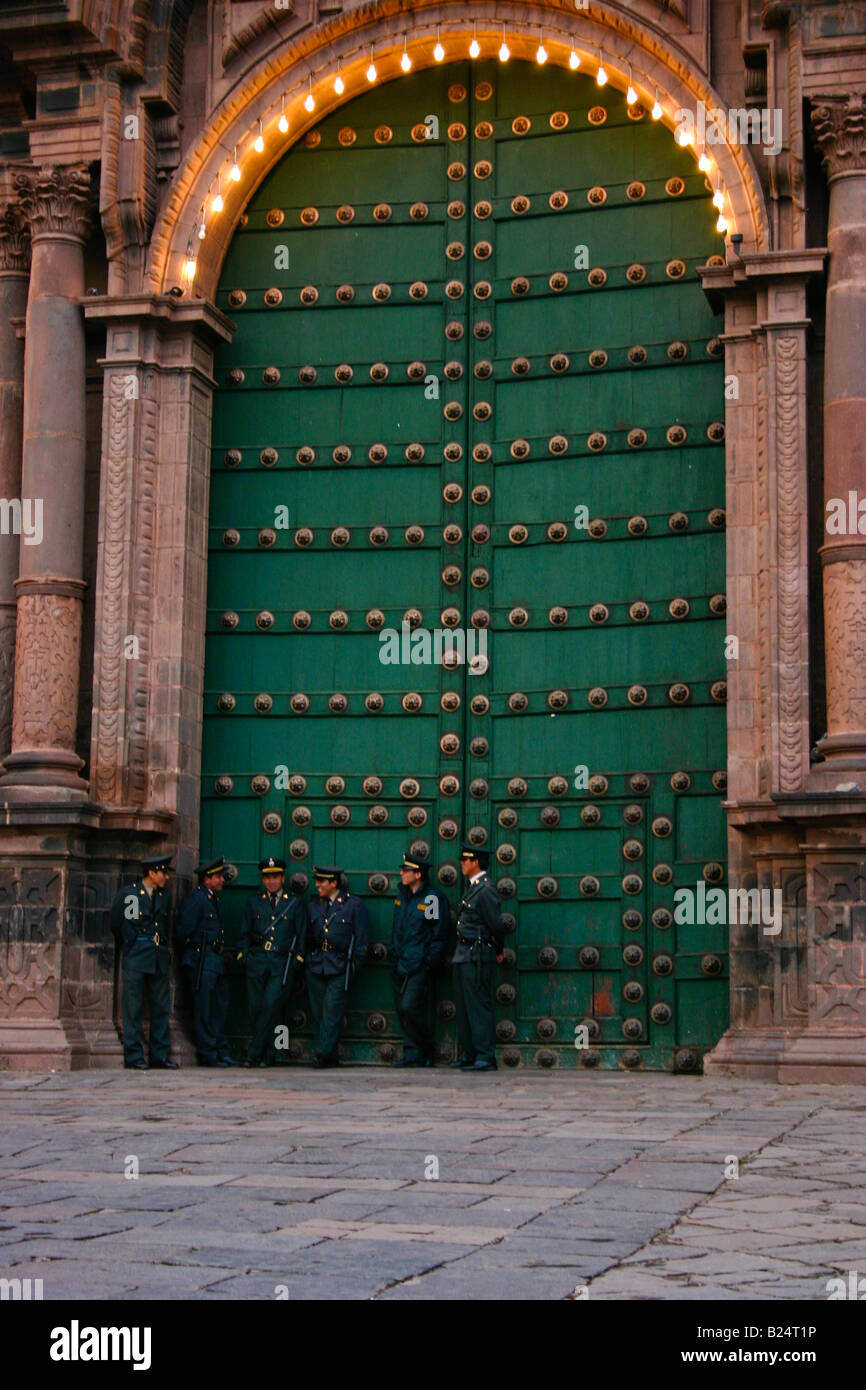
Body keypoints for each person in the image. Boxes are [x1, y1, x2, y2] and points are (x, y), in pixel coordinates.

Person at [109, 854, 178, 1070]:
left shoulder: (163, 895)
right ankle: (134, 1056)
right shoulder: (131, 895)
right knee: (133, 1007)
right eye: (163, 873)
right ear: (151, 873)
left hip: (157, 956)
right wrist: (132, 946)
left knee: (160, 1007)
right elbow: (119, 924)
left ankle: (159, 1054)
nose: (166, 877)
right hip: (137, 955)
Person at [238, 856, 307, 1067]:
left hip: (280, 962)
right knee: (256, 1009)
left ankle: (253, 1055)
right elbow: (244, 932)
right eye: (267, 877)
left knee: (270, 1006)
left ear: (282, 878)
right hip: (257, 961)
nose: (271, 881)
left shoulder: (294, 903)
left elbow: (302, 933)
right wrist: (244, 955)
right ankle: (269, 1055)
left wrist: (298, 959)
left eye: (275, 877)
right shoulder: (254, 902)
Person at [389, 849, 450, 1067]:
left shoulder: (432, 899)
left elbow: (438, 932)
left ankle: (425, 1047)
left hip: (419, 964)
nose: (402, 873)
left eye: (406, 870)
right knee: (401, 1010)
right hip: (399, 960)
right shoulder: (402, 896)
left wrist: (428, 962)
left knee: (409, 1007)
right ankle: (412, 1054)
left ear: (418, 874)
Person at [176, 855, 238, 1067]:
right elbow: (183, 930)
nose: (222, 880)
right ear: (207, 879)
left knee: (218, 1007)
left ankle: (220, 1049)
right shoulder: (196, 899)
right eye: (218, 877)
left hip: (215, 961)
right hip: (201, 960)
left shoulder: (212, 899)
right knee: (204, 1008)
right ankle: (208, 1052)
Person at [306, 865, 369, 1067]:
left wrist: (353, 966)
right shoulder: (314, 905)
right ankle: (330, 1056)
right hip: (317, 964)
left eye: (322, 881)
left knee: (332, 1012)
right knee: (318, 1013)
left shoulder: (352, 905)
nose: (317, 885)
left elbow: (361, 939)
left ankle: (321, 1054)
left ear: (334, 883)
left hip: (340, 965)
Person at [452, 844, 504, 1072]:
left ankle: (485, 1056)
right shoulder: (472, 888)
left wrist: (499, 949)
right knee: (463, 1007)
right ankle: (469, 1053)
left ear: (476, 862)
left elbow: (496, 924)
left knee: (478, 1006)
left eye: (466, 860)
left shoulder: (486, 889)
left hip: (478, 955)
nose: (462, 863)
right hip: (463, 955)